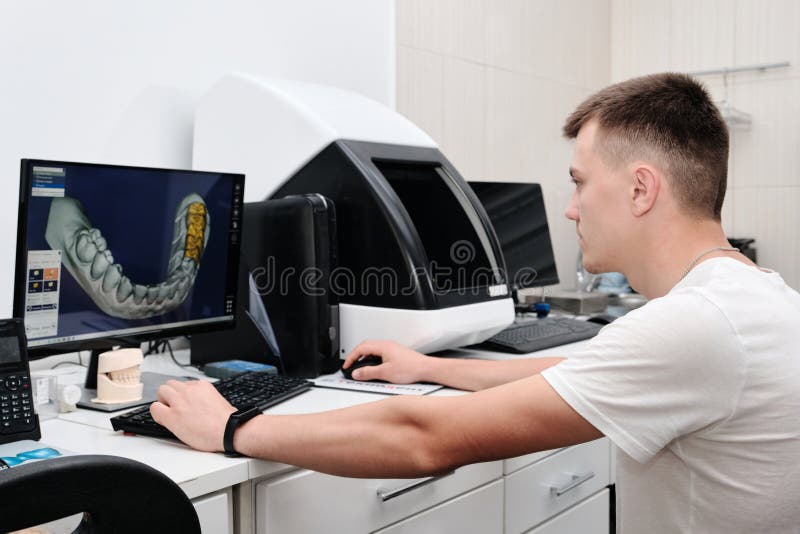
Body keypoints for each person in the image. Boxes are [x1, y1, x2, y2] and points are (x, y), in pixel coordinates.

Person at [151, 73, 800, 532]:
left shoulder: (693, 327)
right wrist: (431, 367)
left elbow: (428, 438)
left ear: (639, 189)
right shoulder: (749, 297)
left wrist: (233, 429)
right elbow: (568, 372)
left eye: (579, 183)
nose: (571, 208)